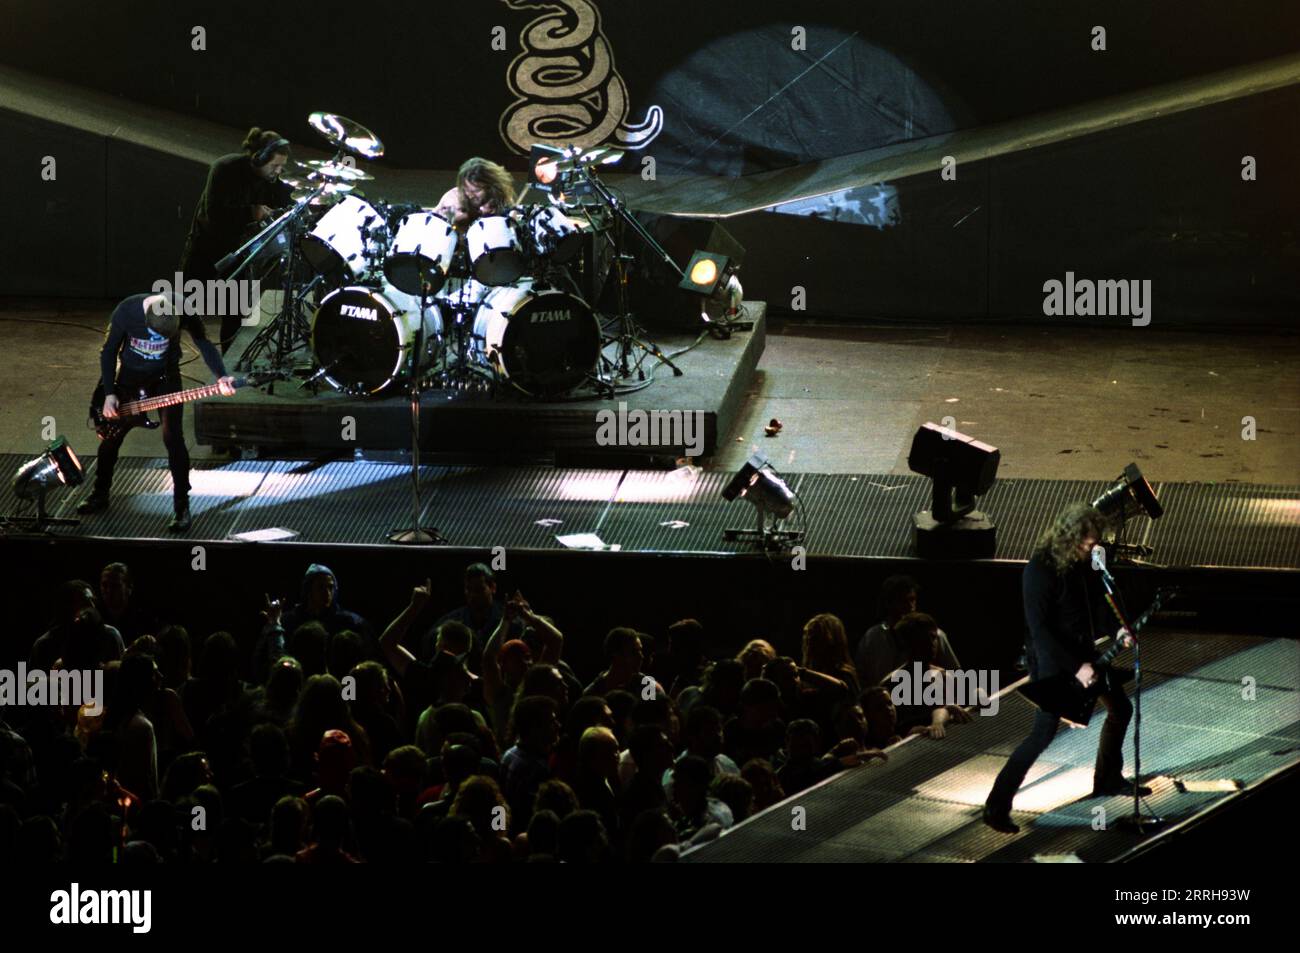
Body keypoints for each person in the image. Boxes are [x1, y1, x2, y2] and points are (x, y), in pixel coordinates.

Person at [983, 503, 1148, 834]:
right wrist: (1076, 667)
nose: (1091, 549)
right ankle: (996, 806)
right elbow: (1040, 630)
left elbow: (1093, 605)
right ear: (1070, 538)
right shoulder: (1039, 571)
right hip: (1055, 664)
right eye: (1087, 544)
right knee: (1041, 735)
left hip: (1086, 657)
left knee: (1121, 708)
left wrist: (1116, 629)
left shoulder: (1078, 564)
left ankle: (1108, 778)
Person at [75, 292, 236, 531]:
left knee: (173, 438)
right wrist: (109, 393)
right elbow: (108, 351)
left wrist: (220, 375)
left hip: (165, 379)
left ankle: (182, 507)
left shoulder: (183, 308)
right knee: (110, 438)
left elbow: (202, 341)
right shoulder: (126, 311)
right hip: (128, 379)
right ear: (147, 318)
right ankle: (100, 493)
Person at [179, 127, 293, 353]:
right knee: (183, 306)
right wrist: (251, 212)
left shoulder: (269, 179)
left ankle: (227, 364)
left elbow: (286, 199)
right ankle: (165, 356)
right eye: (274, 166)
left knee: (235, 314)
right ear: (258, 158)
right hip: (206, 246)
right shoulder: (225, 169)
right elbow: (215, 213)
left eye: (281, 166)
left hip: (238, 251)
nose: (278, 171)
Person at [855, 576, 961, 688]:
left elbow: (955, 674)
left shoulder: (934, 634)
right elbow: (861, 676)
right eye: (902, 601)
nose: (910, 606)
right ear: (888, 603)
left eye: (912, 600)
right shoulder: (872, 637)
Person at [435, 157, 517, 230]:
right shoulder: (453, 197)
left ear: (490, 187)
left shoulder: (501, 200)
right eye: (466, 189)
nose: (470, 195)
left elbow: (511, 229)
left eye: (476, 191)